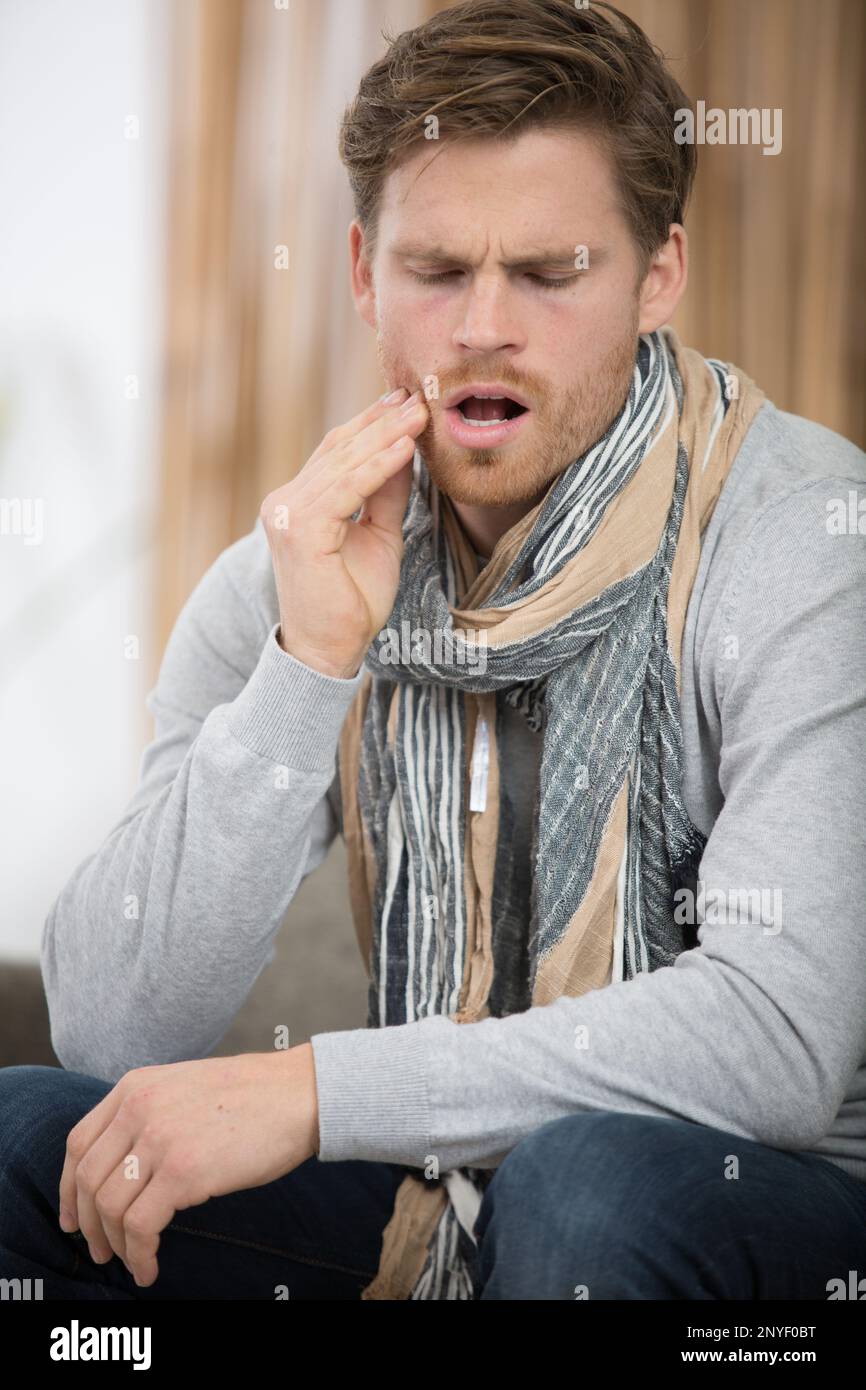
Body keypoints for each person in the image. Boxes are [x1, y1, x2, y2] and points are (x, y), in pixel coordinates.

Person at [2, 0, 865, 1301]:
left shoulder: (800, 534)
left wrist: (311, 1090)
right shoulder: (298, 567)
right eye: (436, 269)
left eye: (548, 272)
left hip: (767, 1203)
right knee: (32, 1138)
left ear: (657, 272)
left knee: (584, 1186)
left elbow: (776, 1040)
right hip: (441, 1195)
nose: (480, 326)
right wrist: (307, 666)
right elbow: (115, 1027)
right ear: (361, 272)